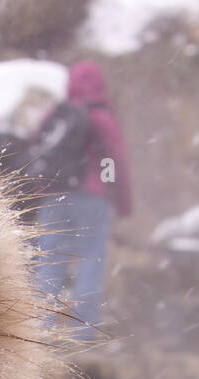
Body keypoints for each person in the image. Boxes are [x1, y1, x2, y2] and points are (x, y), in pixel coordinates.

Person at [26, 61, 132, 339]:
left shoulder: (57, 114)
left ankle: (39, 330)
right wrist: (124, 201)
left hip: (54, 196)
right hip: (91, 198)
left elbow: (38, 151)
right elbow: (116, 159)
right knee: (90, 258)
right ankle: (82, 333)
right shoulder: (102, 117)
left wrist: (41, 189)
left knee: (50, 261)